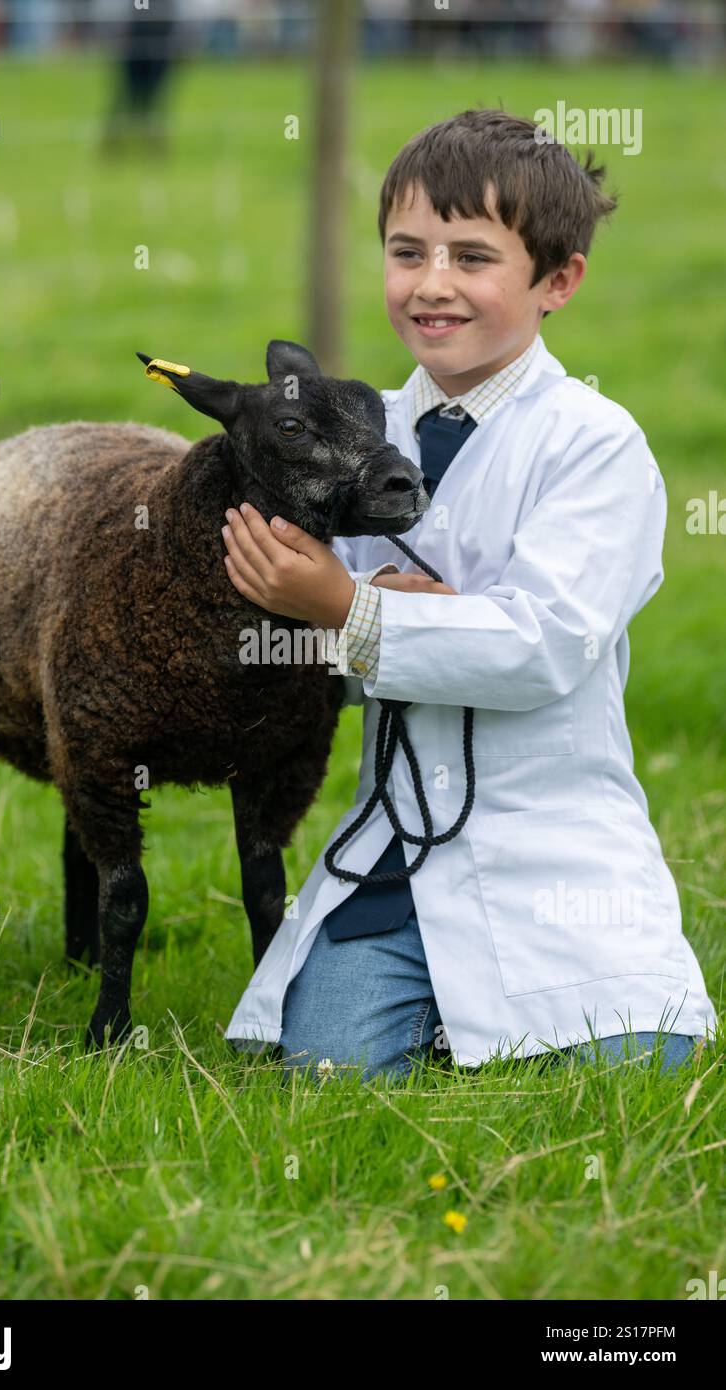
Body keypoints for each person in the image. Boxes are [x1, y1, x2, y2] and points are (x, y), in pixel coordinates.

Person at [220, 109, 717, 1080]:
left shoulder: (593, 445)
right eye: (406, 252)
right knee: (327, 1078)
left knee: (636, 1068)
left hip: (555, 854)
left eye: (471, 257)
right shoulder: (353, 429)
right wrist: (335, 615)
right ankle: (424, 1002)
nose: (431, 283)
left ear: (556, 280)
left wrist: (354, 610)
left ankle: (504, 1019)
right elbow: (305, 651)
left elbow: (538, 646)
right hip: (398, 854)